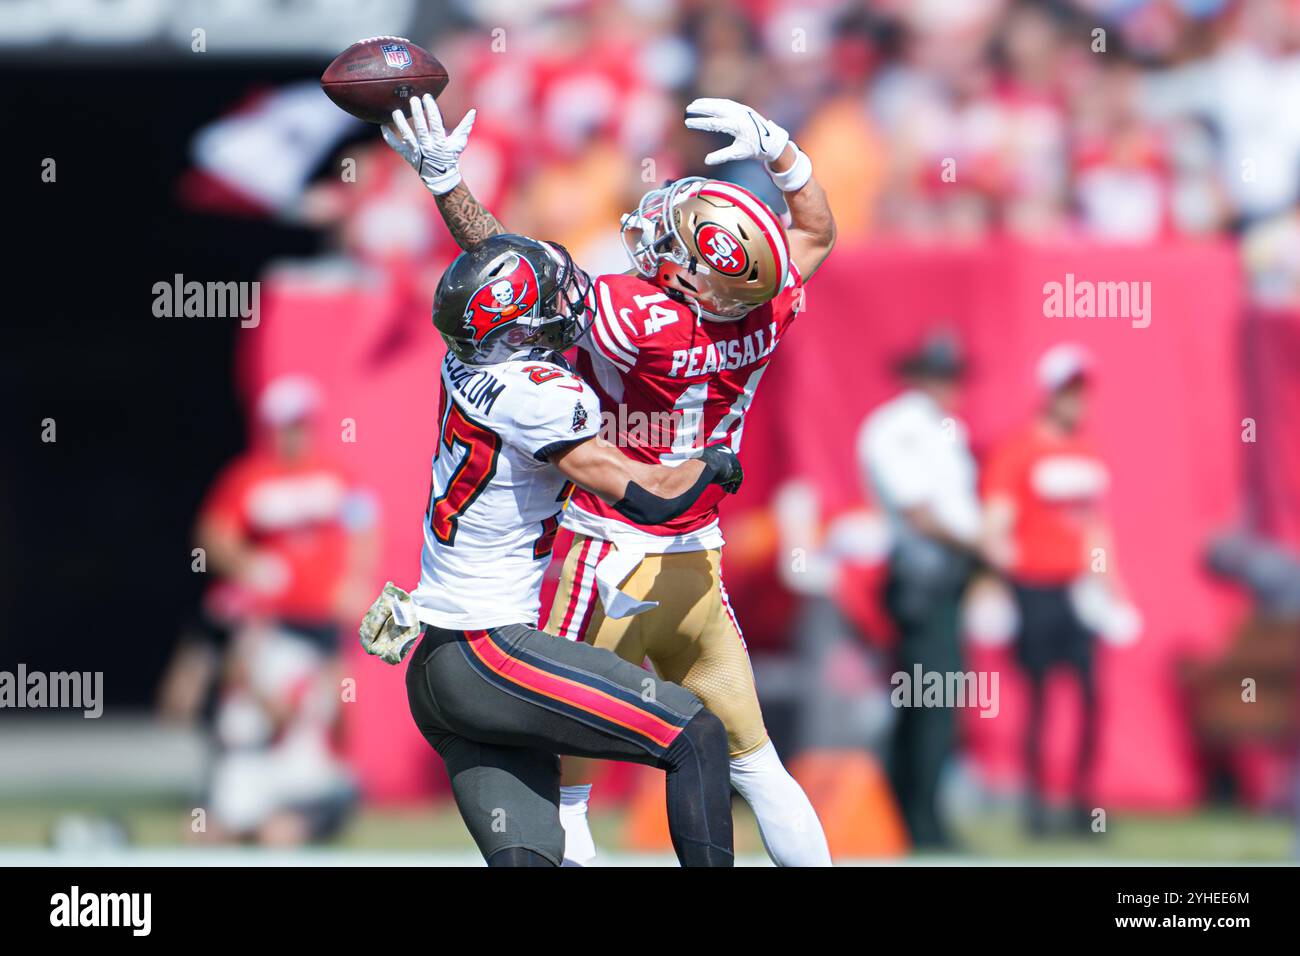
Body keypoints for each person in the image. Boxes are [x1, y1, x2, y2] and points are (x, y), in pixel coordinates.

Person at [381, 92, 836, 866]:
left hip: (607, 554)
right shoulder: (769, 308)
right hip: (697, 561)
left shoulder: (630, 318)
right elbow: (816, 231)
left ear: (697, 277)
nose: (654, 233)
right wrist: (779, 149)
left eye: (676, 237)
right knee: (756, 762)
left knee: (570, 788)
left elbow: (515, 275)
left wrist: (445, 184)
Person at [358, 234, 742, 867]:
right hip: (489, 654)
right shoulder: (539, 397)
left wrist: (444, 185)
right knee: (693, 733)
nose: (568, 300)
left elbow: (496, 280)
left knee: (531, 860)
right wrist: (712, 464)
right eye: (551, 295)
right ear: (517, 326)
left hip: (438, 665)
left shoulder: (465, 360)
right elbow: (653, 501)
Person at [982, 343, 1118, 834]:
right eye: (1068, 390)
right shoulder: (1018, 452)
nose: (1077, 400)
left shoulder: (1086, 452)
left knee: (1089, 696)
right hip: (1034, 588)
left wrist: (1112, 588)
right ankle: (1037, 808)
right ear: (1049, 394)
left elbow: (1095, 527)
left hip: (1077, 589)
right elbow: (997, 523)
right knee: (1038, 697)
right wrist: (1000, 585)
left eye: (1082, 390)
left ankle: (1085, 807)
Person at [858, 332, 981, 850]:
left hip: (948, 574)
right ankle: (917, 819)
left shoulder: (944, 429)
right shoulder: (898, 427)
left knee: (931, 699)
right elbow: (918, 509)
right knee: (930, 698)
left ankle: (916, 814)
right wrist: (984, 542)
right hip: (922, 574)